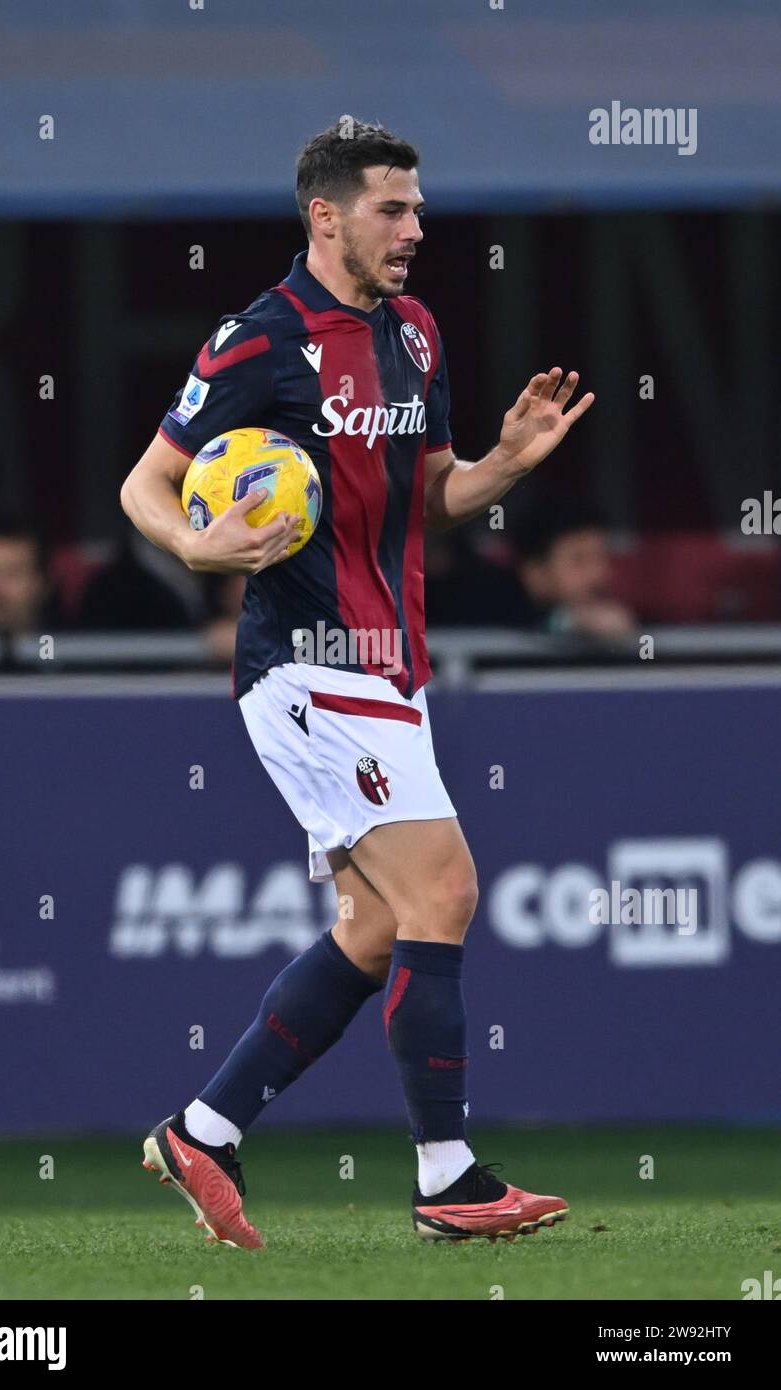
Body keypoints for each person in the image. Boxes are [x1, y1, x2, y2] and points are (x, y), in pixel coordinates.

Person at [121, 117, 594, 1249]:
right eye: (392, 208)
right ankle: (448, 1178)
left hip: (393, 667)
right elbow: (149, 483)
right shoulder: (259, 340)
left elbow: (431, 497)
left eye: (418, 209)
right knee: (445, 891)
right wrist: (193, 548)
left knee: (377, 930)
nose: (415, 229)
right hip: (306, 664)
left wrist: (502, 466)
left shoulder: (416, 336)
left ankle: (203, 1127)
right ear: (324, 216)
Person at [509, 499, 635, 638]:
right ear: (536, 573)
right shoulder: (498, 609)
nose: (597, 574)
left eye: (602, 557)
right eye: (578, 560)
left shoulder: (631, 613)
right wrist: (570, 622)